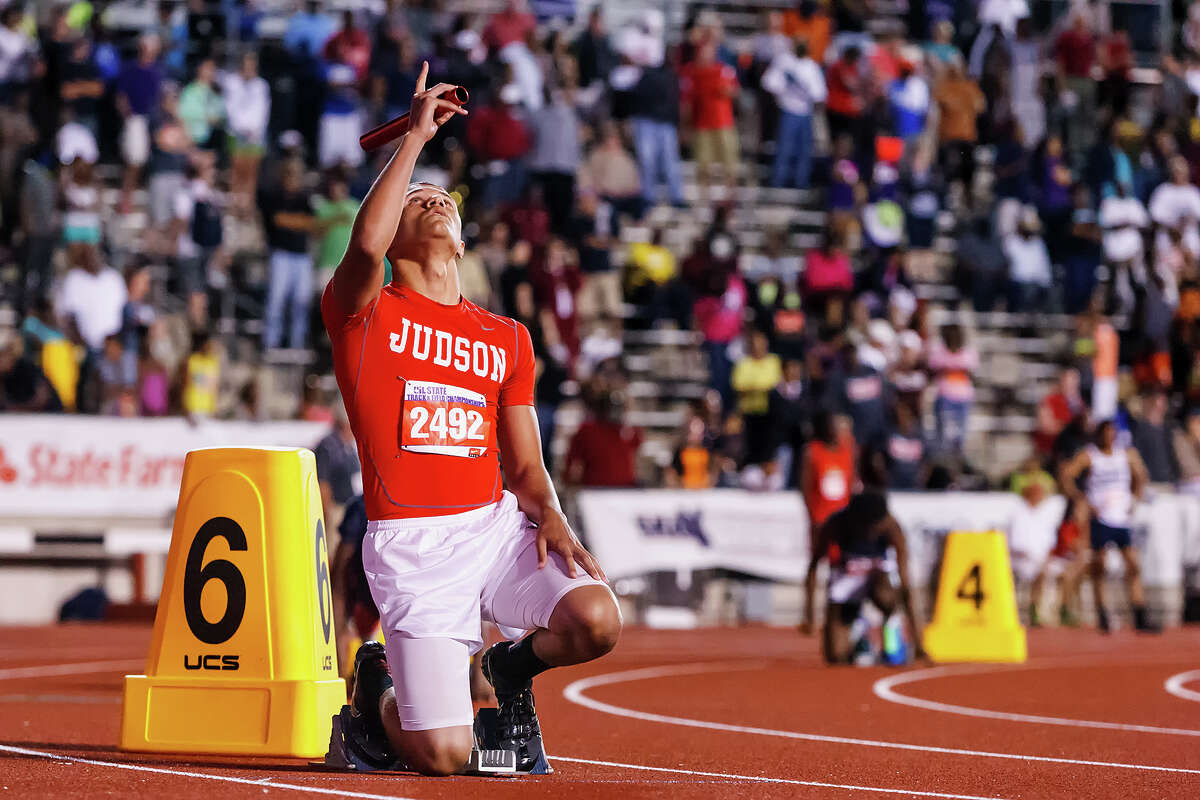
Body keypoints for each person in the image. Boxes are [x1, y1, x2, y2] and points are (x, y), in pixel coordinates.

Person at [321, 64, 620, 776]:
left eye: (441, 200)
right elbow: (363, 247)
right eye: (415, 200)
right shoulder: (364, 315)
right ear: (394, 235)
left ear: (460, 240)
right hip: (413, 550)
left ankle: (506, 669)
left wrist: (549, 510)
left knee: (598, 622)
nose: (431, 200)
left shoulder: (508, 337)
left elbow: (522, 466)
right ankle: (376, 690)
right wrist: (415, 144)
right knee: (444, 755)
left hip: (491, 531)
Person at [1058, 419, 1158, 633]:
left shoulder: (1126, 454)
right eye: (1106, 433)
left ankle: (1139, 612)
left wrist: (1134, 499)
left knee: (1133, 565)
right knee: (1099, 566)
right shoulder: (1091, 455)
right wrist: (1081, 498)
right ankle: (1102, 612)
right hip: (1101, 517)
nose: (1109, 437)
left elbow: (1141, 476)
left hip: (1121, 518)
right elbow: (1067, 475)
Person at [801, 490, 923, 665]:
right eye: (875, 526)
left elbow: (906, 585)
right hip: (846, 579)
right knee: (835, 658)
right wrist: (810, 616)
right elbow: (813, 568)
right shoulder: (835, 525)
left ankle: (891, 624)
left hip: (877, 577)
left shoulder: (891, 527)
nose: (878, 528)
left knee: (885, 593)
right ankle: (858, 628)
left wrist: (919, 644)